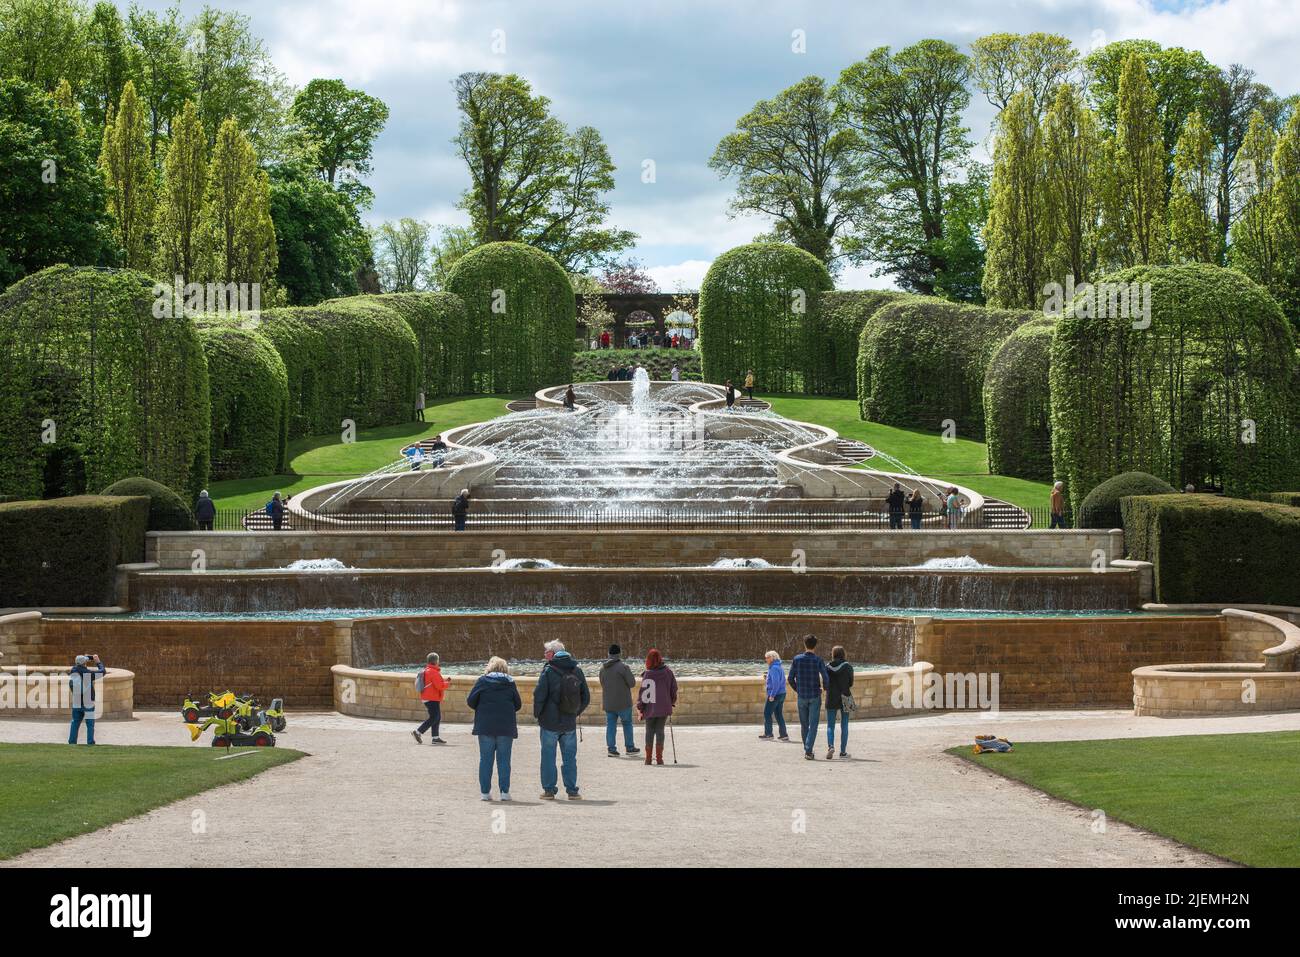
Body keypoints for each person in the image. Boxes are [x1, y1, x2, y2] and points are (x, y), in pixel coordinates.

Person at [533, 640, 590, 799]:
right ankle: (572, 791)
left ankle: (549, 791)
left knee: (548, 758)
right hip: (569, 724)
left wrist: (538, 714)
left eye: (547, 652)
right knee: (570, 758)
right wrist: (575, 713)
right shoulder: (577, 670)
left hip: (549, 723)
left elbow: (539, 696)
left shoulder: (548, 671)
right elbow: (586, 697)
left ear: (554, 654)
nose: (545, 655)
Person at [467, 656, 521, 801]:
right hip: (505, 726)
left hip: (485, 726)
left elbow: (471, 701)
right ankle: (504, 792)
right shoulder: (510, 683)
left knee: (485, 760)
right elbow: (518, 704)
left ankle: (485, 793)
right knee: (504, 761)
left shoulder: (482, 681)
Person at [788, 634, 829, 760]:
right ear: (815, 646)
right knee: (813, 725)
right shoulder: (818, 660)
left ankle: (808, 750)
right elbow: (825, 677)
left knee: (804, 724)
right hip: (815, 695)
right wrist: (824, 688)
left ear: (804, 644)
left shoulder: (797, 659)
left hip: (802, 696)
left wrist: (798, 689)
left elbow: (790, 678)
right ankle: (808, 750)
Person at [637, 648, 678, 766]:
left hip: (650, 708)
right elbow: (674, 689)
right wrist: (671, 701)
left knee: (649, 731)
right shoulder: (668, 672)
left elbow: (643, 694)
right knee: (660, 731)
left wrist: (640, 707)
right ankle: (659, 759)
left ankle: (648, 759)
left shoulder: (648, 674)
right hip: (664, 707)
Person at [599, 643, 639, 756]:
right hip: (623, 703)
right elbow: (632, 683)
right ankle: (629, 748)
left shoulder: (602, 668)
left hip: (609, 703)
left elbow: (602, 683)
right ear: (619, 654)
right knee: (627, 724)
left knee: (610, 726)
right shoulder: (623, 667)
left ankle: (611, 749)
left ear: (609, 654)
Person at [412, 652, 451, 744]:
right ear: (436, 661)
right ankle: (418, 732)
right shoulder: (433, 672)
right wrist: (448, 683)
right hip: (432, 698)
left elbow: (434, 683)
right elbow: (439, 686)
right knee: (434, 717)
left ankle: (435, 737)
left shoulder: (427, 670)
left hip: (427, 697)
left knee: (437, 717)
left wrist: (445, 681)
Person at [68, 654, 105, 745]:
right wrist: (98, 662)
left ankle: (72, 742)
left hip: (77, 702)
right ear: (85, 663)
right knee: (90, 724)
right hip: (88, 702)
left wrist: (91, 657)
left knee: (75, 723)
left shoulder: (73, 670)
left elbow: (83, 660)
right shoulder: (87, 673)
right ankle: (90, 742)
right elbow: (102, 672)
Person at [824, 646, 854, 759]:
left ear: (833, 654)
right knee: (844, 725)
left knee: (830, 725)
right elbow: (851, 683)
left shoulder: (827, 667)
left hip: (831, 696)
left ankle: (831, 746)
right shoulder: (848, 666)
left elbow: (825, 683)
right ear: (843, 654)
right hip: (845, 695)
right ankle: (843, 752)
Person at [759, 650, 789, 741]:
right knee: (778, 714)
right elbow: (779, 680)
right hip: (782, 693)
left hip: (775, 694)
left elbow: (776, 683)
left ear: (772, 658)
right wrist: (768, 677)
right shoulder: (778, 666)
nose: (766, 659)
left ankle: (769, 734)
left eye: (768, 657)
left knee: (767, 713)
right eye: (766, 658)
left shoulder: (774, 668)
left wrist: (772, 695)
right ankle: (784, 735)